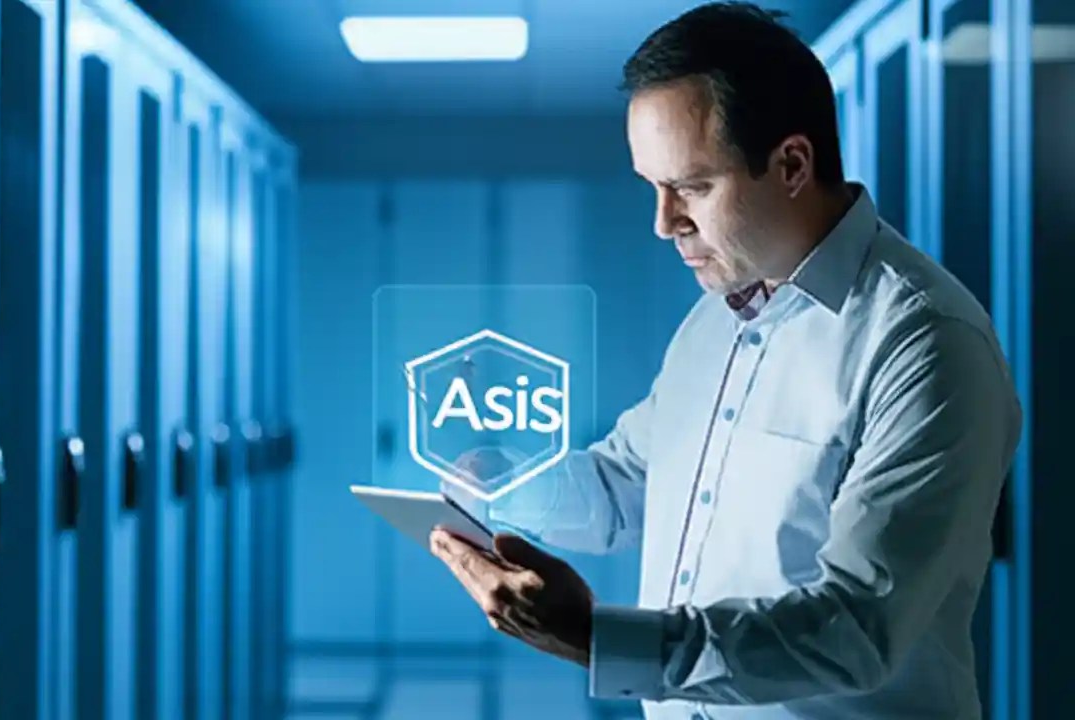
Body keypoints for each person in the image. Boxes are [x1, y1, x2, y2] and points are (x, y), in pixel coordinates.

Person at [427, 2, 1022, 718]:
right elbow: (628, 478)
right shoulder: (715, 320)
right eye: (652, 187)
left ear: (792, 164)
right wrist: (508, 488)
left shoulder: (926, 342)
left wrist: (598, 639)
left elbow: (856, 628)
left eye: (692, 187)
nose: (663, 222)